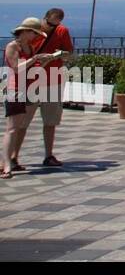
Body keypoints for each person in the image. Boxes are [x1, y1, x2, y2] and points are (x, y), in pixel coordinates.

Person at [4, 18, 60, 178]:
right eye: (34, 33)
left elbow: (32, 69)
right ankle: (6, 163)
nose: (35, 37)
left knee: (18, 127)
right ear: (25, 31)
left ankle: (10, 160)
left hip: (28, 88)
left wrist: (44, 61)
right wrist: (34, 59)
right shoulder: (12, 46)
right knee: (12, 128)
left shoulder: (30, 47)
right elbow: (16, 68)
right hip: (16, 90)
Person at [32, 8, 74, 167]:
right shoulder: (33, 29)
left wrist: (59, 55)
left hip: (53, 80)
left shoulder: (62, 31)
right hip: (32, 79)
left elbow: (69, 53)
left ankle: (48, 155)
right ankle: (12, 157)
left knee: (50, 120)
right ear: (45, 18)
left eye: (55, 25)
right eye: (49, 24)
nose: (52, 27)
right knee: (21, 122)